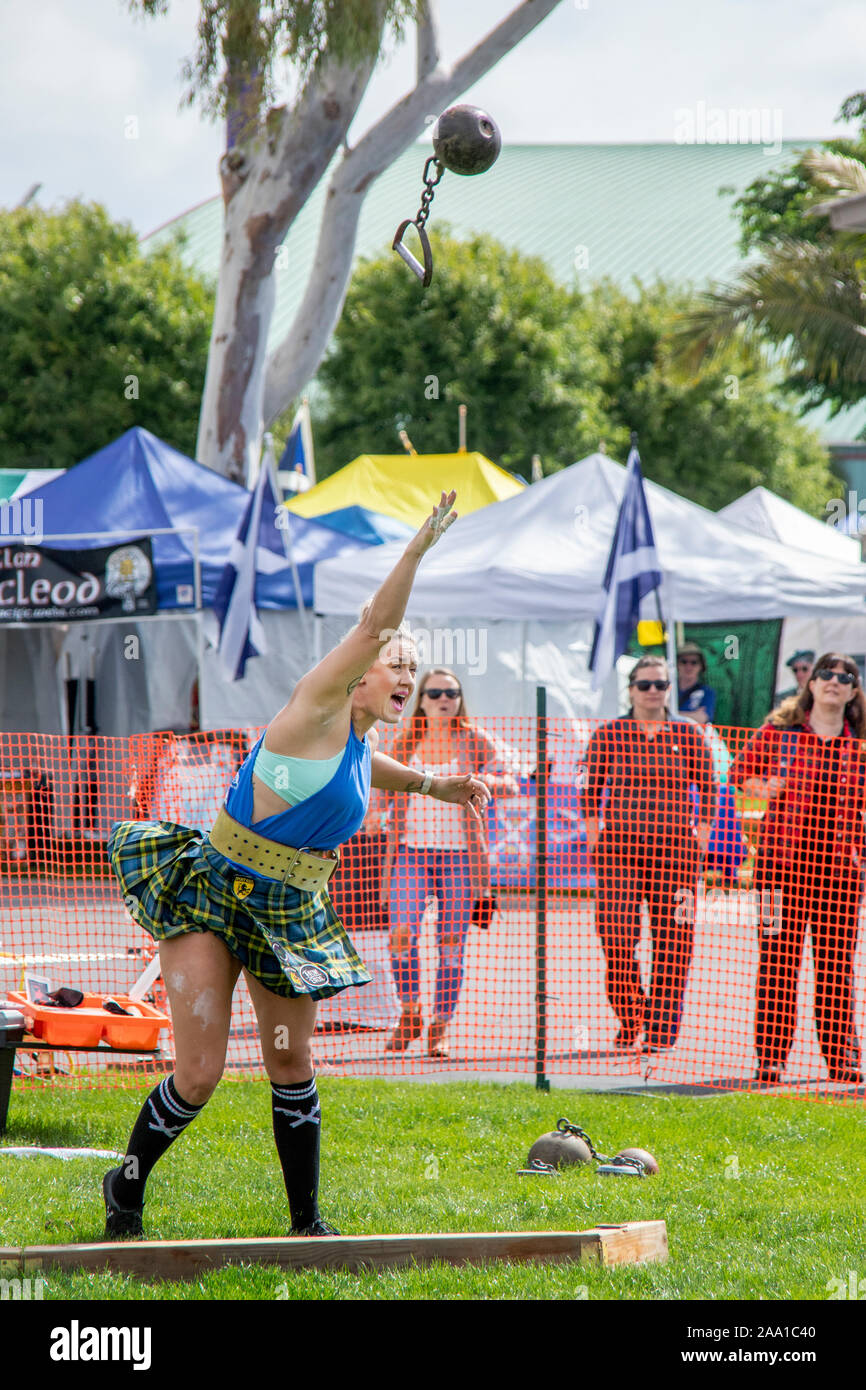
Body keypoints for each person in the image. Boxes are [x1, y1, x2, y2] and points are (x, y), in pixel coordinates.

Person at [102, 492, 491, 1240]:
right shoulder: (314, 704)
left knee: (290, 1062)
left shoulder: (351, 738)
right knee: (200, 1075)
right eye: (395, 665)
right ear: (358, 674)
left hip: (291, 911)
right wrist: (414, 554)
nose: (407, 676)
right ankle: (124, 1186)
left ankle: (306, 1226)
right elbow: (374, 624)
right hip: (216, 895)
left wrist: (432, 785)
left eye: (414, 667)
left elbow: (366, 765)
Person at [730, 652, 866, 1085]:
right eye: (826, 673)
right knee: (776, 961)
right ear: (811, 683)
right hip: (777, 869)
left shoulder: (860, 738)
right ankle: (770, 1059)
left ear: (854, 690)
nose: (834, 681)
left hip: (841, 871)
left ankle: (842, 1058)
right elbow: (739, 774)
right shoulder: (779, 731)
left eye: (845, 677)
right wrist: (763, 785)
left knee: (835, 965)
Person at [583, 655, 716, 1052]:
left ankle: (660, 1029)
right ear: (631, 690)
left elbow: (708, 787)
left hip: (676, 853)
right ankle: (631, 1015)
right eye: (645, 685)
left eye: (660, 684)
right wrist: (595, 838)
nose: (653, 691)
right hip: (618, 851)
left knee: (675, 940)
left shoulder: (689, 733)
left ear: (669, 689)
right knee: (616, 936)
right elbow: (590, 791)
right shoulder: (609, 734)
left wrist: (702, 837)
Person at [382, 667, 518, 1058]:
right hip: (409, 853)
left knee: (451, 944)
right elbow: (377, 783)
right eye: (436, 692)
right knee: (401, 935)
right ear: (420, 700)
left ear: (460, 700)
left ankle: (439, 1027)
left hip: (461, 860)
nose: (444, 699)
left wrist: (488, 782)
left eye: (452, 693)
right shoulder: (405, 740)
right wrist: (374, 810)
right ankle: (410, 1014)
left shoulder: (475, 740)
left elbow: (509, 779)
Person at [676, 642, 716, 725]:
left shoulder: (707, 692)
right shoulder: (665, 688)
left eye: (694, 662)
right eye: (684, 662)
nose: (688, 667)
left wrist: (671, 714)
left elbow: (701, 719)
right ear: (677, 665)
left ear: (701, 666)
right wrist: (691, 715)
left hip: (693, 737)